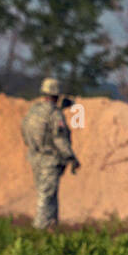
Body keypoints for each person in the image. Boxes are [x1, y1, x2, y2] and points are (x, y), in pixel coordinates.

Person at [21, 77, 79, 229]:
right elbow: (59, 138)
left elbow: (24, 131)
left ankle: (51, 227)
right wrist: (71, 156)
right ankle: (39, 229)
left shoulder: (33, 111)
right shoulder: (54, 114)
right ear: (56, 95)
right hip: (50, 159)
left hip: (35, 157)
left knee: (46, 194)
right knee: (47, 197)